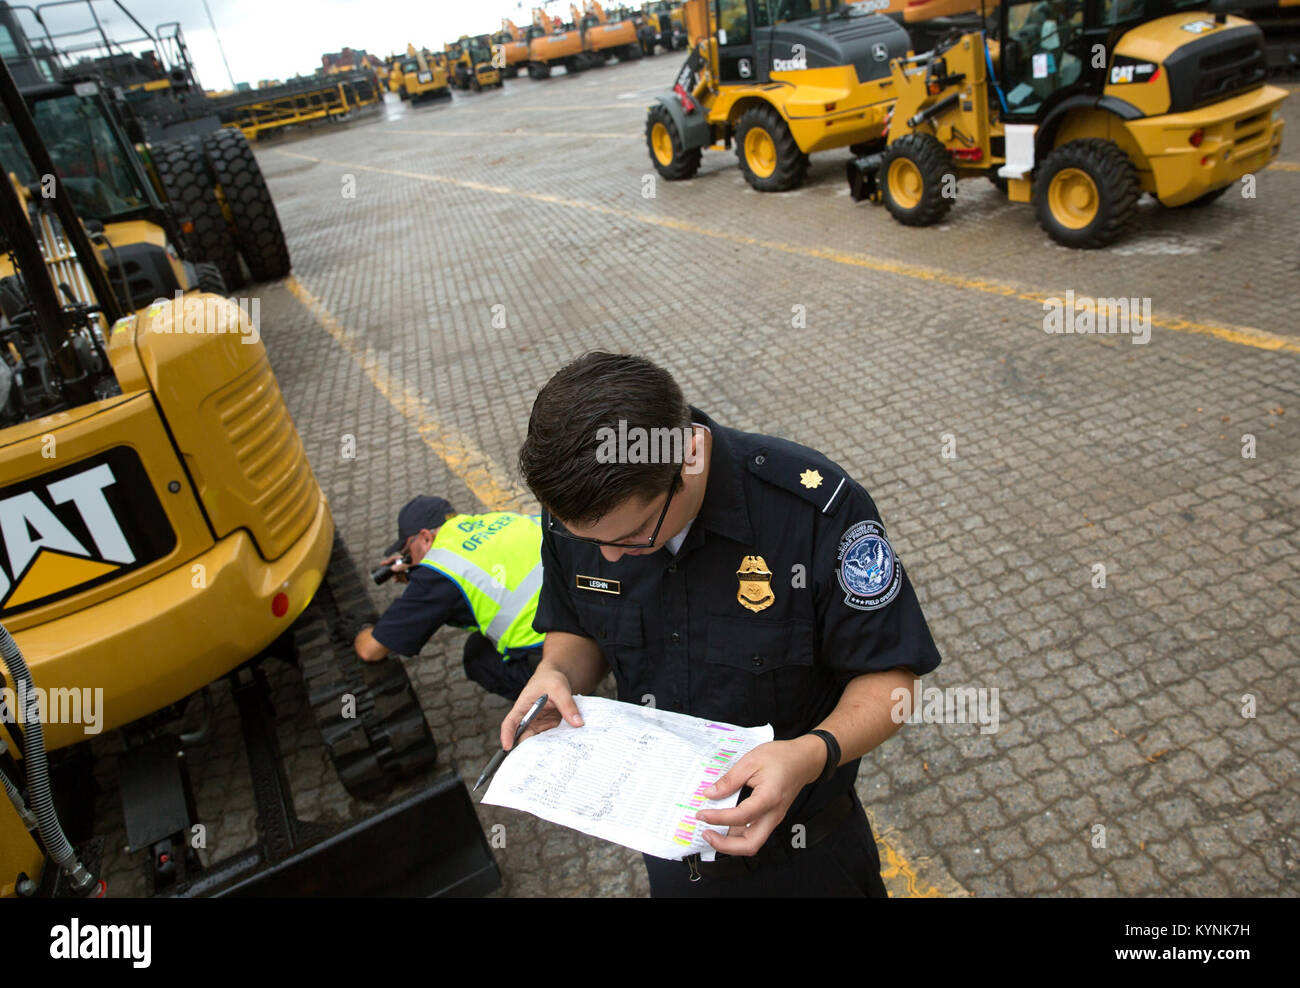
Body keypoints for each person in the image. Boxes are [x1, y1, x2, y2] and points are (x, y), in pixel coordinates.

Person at [502, 352, 943, 897]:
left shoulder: (815, 512)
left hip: (806, 858)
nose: (609, 558)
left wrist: (810, 754)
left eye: (634, 536)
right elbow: (578, 625)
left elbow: (891, 681)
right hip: (672, 850)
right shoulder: (584, 514)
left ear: (688, 456)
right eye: (589, 542)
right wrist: (557, 673)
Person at [354, 496, 544, 701]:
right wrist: (414, 572)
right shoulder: (501, 520)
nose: (410, 559)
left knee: (478, 655)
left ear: (425, 538)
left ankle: (548, 710)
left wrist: (362, 628)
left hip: (559, 657)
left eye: (407, 552)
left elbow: (370, 650)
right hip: (579, 617)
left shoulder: (437, 575)